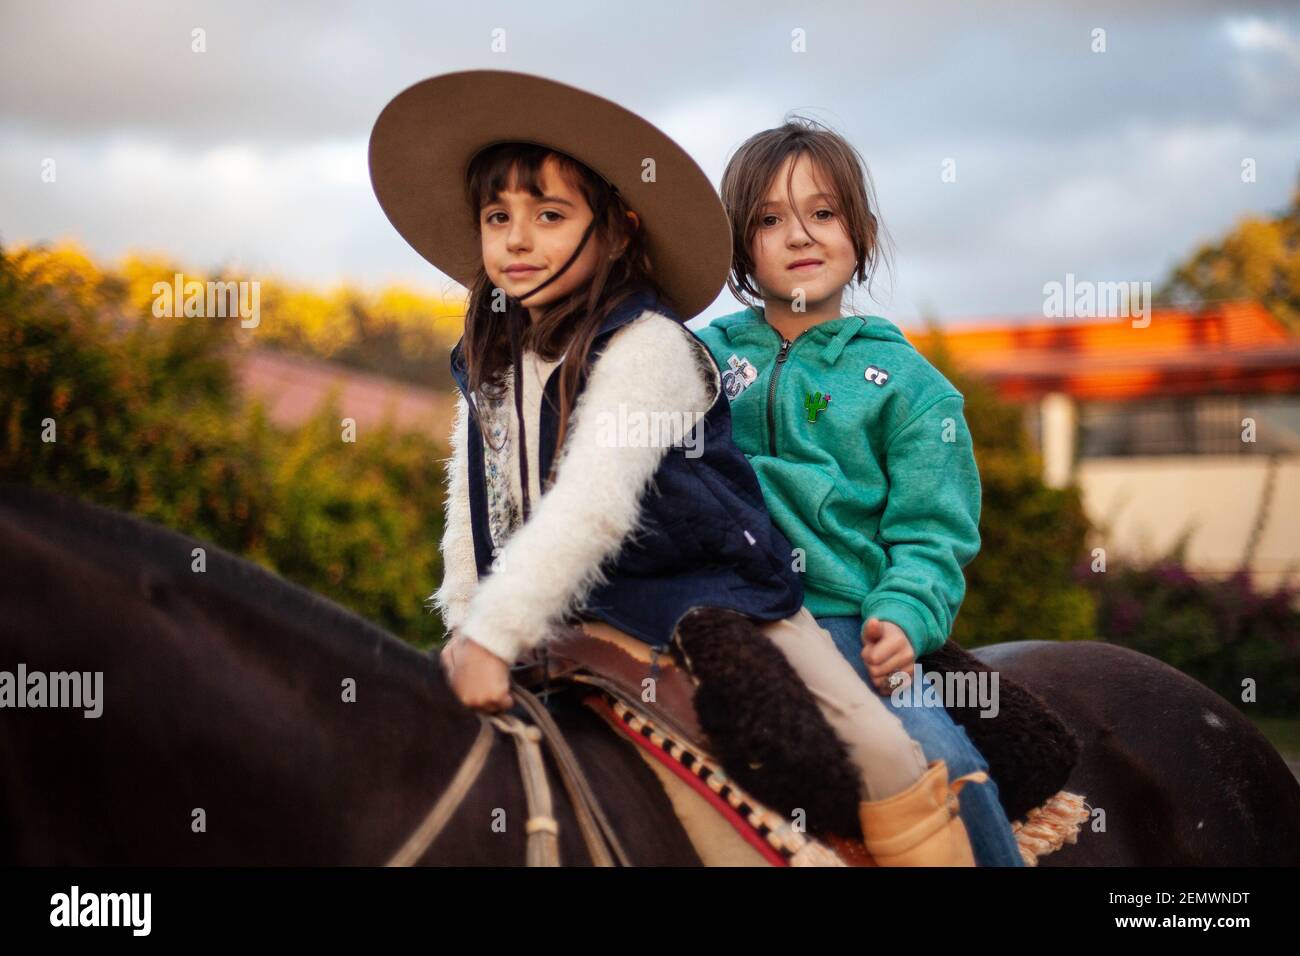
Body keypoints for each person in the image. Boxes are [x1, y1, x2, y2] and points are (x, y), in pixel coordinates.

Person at [368, 71, 987, 865]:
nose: (517, 240)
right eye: (498, 218)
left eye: (549, 215)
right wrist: (466, 620)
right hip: (605, 599)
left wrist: (906, 611)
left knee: (907, 753)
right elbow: (481, 498)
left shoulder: (662, 349)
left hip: (733, 592)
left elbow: (591, 504)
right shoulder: (521, 356)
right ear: (741, 243)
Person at [696, 116, 1026, 866]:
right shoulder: (700, 358)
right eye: (769, 220)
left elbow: (932, 534)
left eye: (823, 212)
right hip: (712, 604)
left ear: (863, 230)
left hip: (844, 618)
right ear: (739, 245)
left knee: (940, 760)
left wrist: (905, 615)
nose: (799, 235)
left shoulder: (912, 389)